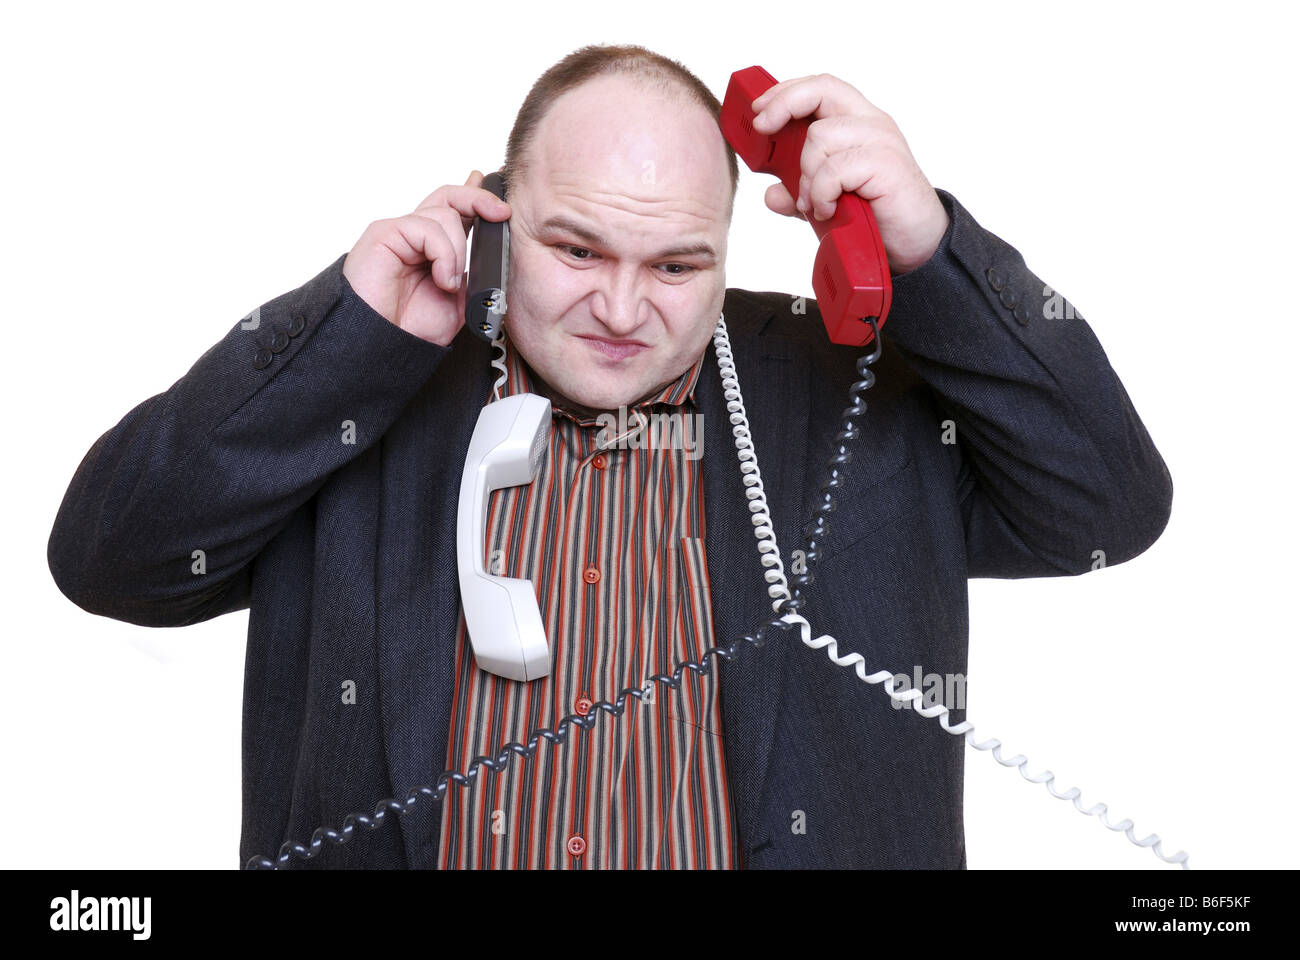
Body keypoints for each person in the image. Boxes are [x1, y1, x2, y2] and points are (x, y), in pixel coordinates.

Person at [46, 44, 1173, 870]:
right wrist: (344, 332)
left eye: (678, 265)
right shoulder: (364, 390)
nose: (623, 308)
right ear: (488, 214)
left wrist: (930, 249)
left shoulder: (851, 400)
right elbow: (111, 558)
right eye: (576, 247)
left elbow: (1107, 506)